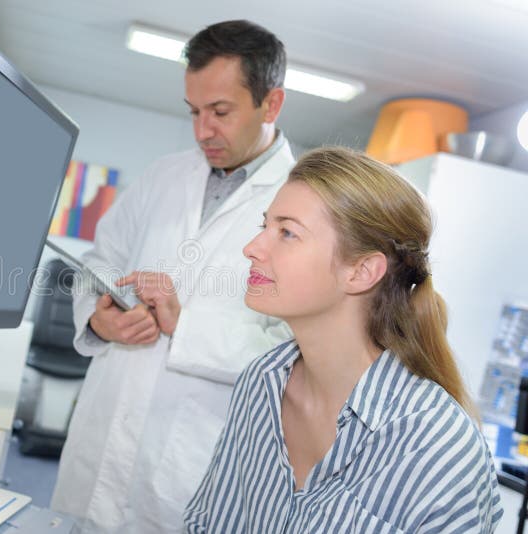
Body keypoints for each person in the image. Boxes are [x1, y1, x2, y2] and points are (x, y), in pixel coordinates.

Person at [50, 20, 295, 532]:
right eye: (195, 112)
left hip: (190, 466)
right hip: (101, 441)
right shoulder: (163, 175)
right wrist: (100, 321)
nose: (202, 130)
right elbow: (100, 261)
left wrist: (185, 325)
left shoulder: (302, 204)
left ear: (271, 105)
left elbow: (294, 345)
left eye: (220, 112)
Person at [184, 147, 503, 533]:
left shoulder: (437, 446)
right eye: (263, 226)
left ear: (362, 271)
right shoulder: (261, 383)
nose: (251, 248)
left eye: (287, 232)